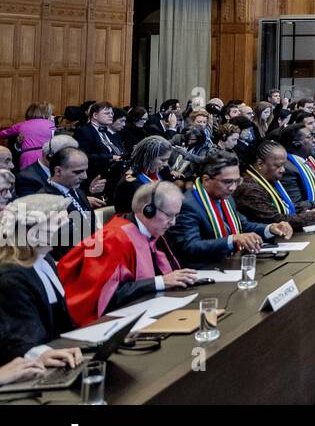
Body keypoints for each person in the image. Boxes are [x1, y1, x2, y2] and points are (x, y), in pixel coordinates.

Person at [57, 182, 197, 326]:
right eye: (169, 216)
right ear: (148, 210)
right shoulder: (113, 239)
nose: (173, 223)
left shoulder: (151, 231)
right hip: (107, 324)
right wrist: (160, 281)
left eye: (176, 216)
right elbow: (107, 296)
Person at [0, 194, 83, 370]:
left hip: (60, 351)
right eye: (57, 226)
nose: (64, 231)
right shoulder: (11, 276)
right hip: (26, 367)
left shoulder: (45, 260)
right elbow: (17, 339)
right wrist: (43, 354)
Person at [166, 150, 293, 266]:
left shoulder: (226, 198)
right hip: (205, 270)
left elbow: (243, 225)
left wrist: (270, 228)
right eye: (227, 182)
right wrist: (232, 240)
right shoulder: (187, 205)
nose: (233, 187)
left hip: (229, 264)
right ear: (206, 180)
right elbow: (190, 247)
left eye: (237, 181)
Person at [236, 141, 315, 231]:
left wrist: (311, 210)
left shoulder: (269, 178)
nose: (283, 170)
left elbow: (289, 207)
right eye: (278, 165)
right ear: (260, 164)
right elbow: (275, 220)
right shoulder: (249, 188)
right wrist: (312, 216)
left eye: (284, 165)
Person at [113, 134, 175, 215]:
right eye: (163, 160)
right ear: (149, 157)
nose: (166, 164)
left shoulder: (161, 173)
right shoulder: (130, 183)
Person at [74, 101, 125, 183]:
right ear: (95, 115)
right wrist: (111, 157)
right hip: (97, 176)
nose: (111, 115)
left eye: (112, 113)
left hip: (116, 172)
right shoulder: (84, 131)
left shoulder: (109, 132)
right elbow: (84, 156)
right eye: (107, 113)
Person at [0, 103, 56, 171]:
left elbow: (3, 134)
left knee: (27, 178)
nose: (53, 116)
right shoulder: (52, 125)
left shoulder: (21, 125)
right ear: (45, 114)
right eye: (51, 114)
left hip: (27, 158)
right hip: (46, 157)